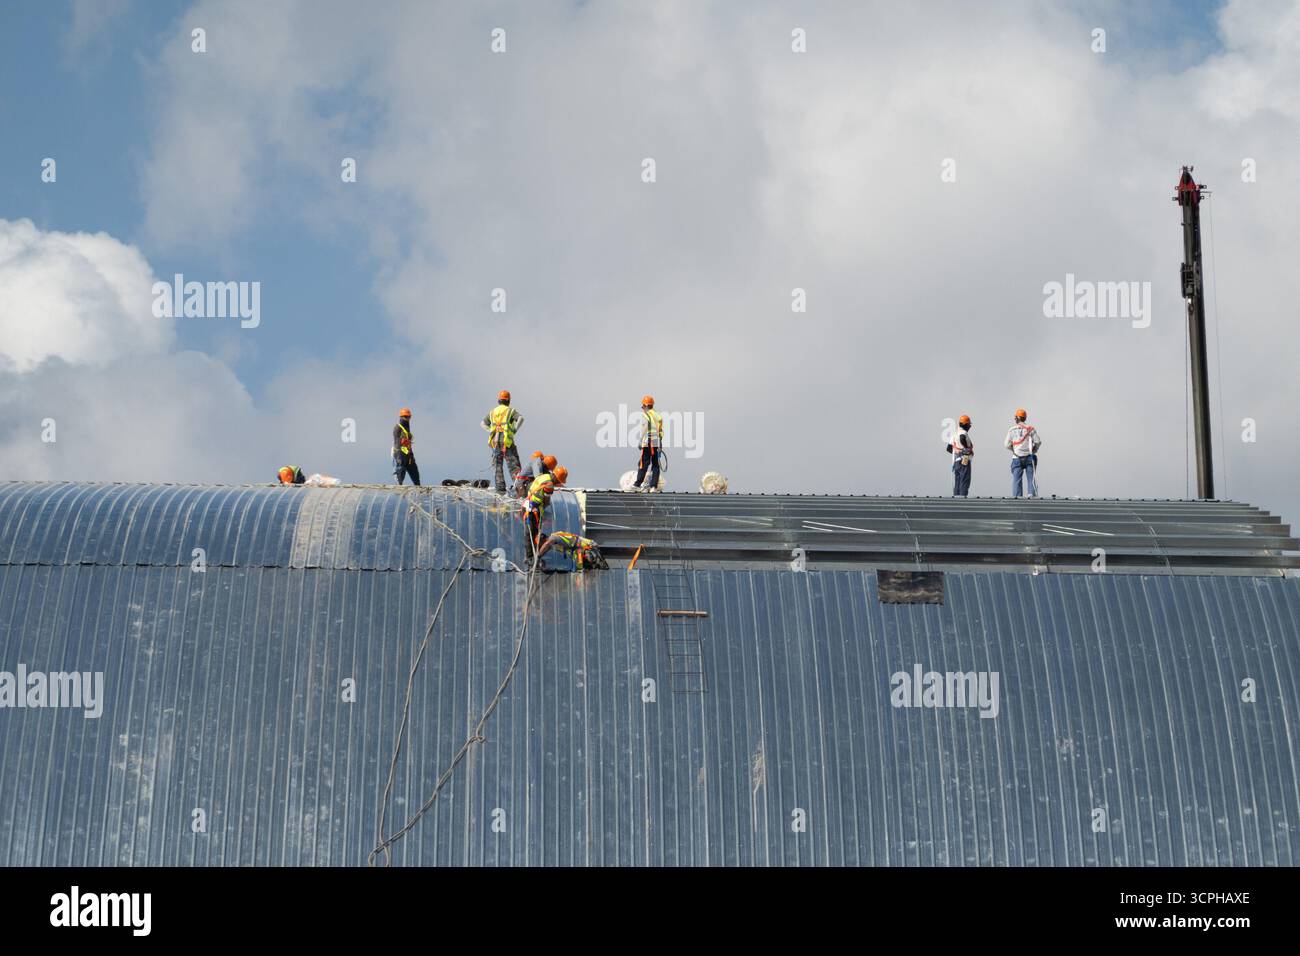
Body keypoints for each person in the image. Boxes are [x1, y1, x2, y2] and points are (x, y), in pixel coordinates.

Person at [482, 389, 524, 494]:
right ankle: (520, 488)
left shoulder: (493, 412)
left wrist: (490, 430)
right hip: (507, 442)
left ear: (499, 400)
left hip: (495, 443)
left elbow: (482, 423)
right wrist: (515, 429)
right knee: (514, 465)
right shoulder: (510, 411)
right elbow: (521, 418)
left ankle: (500, 489)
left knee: (497, 466)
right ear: (508, 400)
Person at [522, 465, 567, 557]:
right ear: (556, 477)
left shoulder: (543, 476)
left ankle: (530, 557)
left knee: (529, 534)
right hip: (534, 510)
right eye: (558, 481)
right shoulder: (549, 485)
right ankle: (532, 558)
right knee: (533, 536)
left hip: (527, 504)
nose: (558, 483)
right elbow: (546, 501)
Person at [1004, 408, 1042, 497]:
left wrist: (1013, 450)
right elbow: (1038, 441)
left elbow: (1006, 444)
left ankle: (1017, 499)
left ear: (1017, 418)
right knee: (1031, 479)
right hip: (1029, 457)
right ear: (1024, 418)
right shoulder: (1030, 429)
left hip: (1017, 458)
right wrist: (1034, 450)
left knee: (1016, 480)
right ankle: (1032, 498)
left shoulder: (1011, 430)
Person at [632, 394, 664, 492]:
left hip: (648, 442)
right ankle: (653, 487)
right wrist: (660, 443)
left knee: (643, 463)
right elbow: (661, 430)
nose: (642, 409)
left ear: (646, 406)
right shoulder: (658, 416)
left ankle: (637, 484)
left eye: (643, 406)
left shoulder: (646, 415)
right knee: (655, 464)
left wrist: (640, 440)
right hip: (656, 442)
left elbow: (645, 427)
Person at [536, 531, 608, 571]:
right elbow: (544, 550)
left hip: (586, 546)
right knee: (585, 568)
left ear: (543, 540)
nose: (541, 546)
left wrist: (538, 556)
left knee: (592, 560)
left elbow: (546, 545)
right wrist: (537, 559)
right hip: (578, 551)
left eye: (540, 544)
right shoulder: (551, 544)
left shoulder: (553, 537)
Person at [392, 407, 420, 486]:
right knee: (401, 469)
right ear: (401, 417)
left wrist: (411, 454)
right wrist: (398, 455)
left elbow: (408, 443)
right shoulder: (398, 427)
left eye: (409, 417)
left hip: (408, 453)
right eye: (406, 417)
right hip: (400, 452)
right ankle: (399, 485)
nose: (408, 418)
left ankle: (418, 486)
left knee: (414, 470)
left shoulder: (407, 429)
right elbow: (397, 441)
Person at [947, 414, 974, 497]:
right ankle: (962, 499)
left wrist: (957, 452)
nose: (970, 427)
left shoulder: (954, 434)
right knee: (964, 480)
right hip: (964, 460)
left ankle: (956, 499)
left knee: (957, 482)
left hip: (957, 461)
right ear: (965, 425)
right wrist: (965, 449)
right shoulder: (963, 433)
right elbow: (962, 438)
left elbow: (949, 448)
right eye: (969, 425)